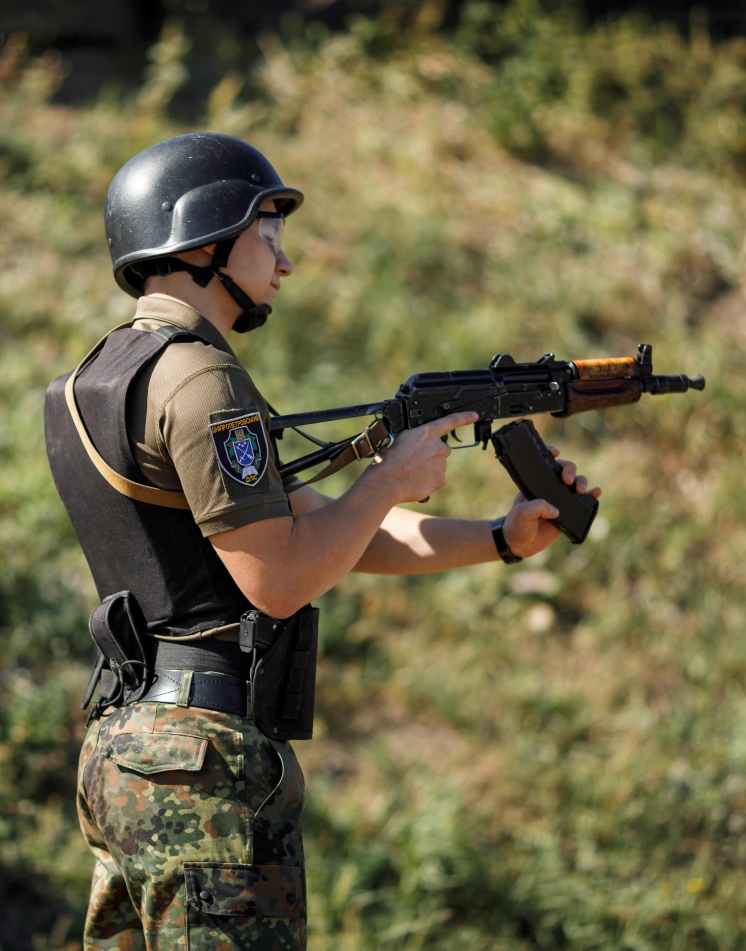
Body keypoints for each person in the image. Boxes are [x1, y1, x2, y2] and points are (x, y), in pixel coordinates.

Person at [44, 133, 599, 949]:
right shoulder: (203, 377)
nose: (286, 261)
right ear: (202, 242)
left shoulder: (94, 376)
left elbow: (326, 529)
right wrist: (389, 478)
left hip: (127, 750)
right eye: (267, 233)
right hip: (204, 761)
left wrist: (501, 538)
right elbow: (280, 576)